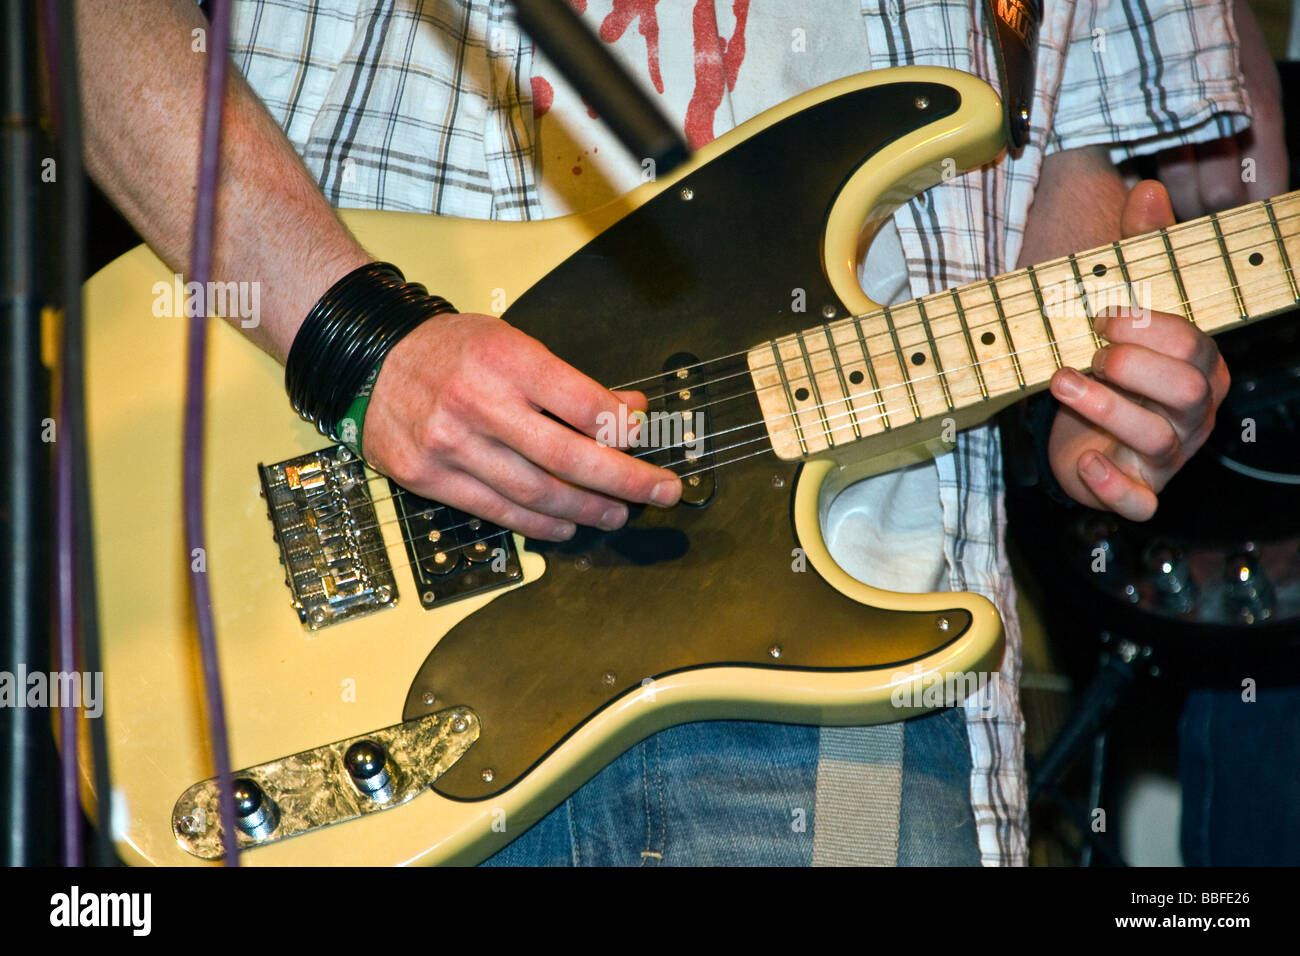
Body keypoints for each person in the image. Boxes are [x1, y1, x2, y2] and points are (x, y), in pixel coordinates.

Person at [77, 0, 1258, 865]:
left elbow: (1073, 156)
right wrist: (352, 335)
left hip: (855, 666)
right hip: (322, 550)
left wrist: (1112, 378)